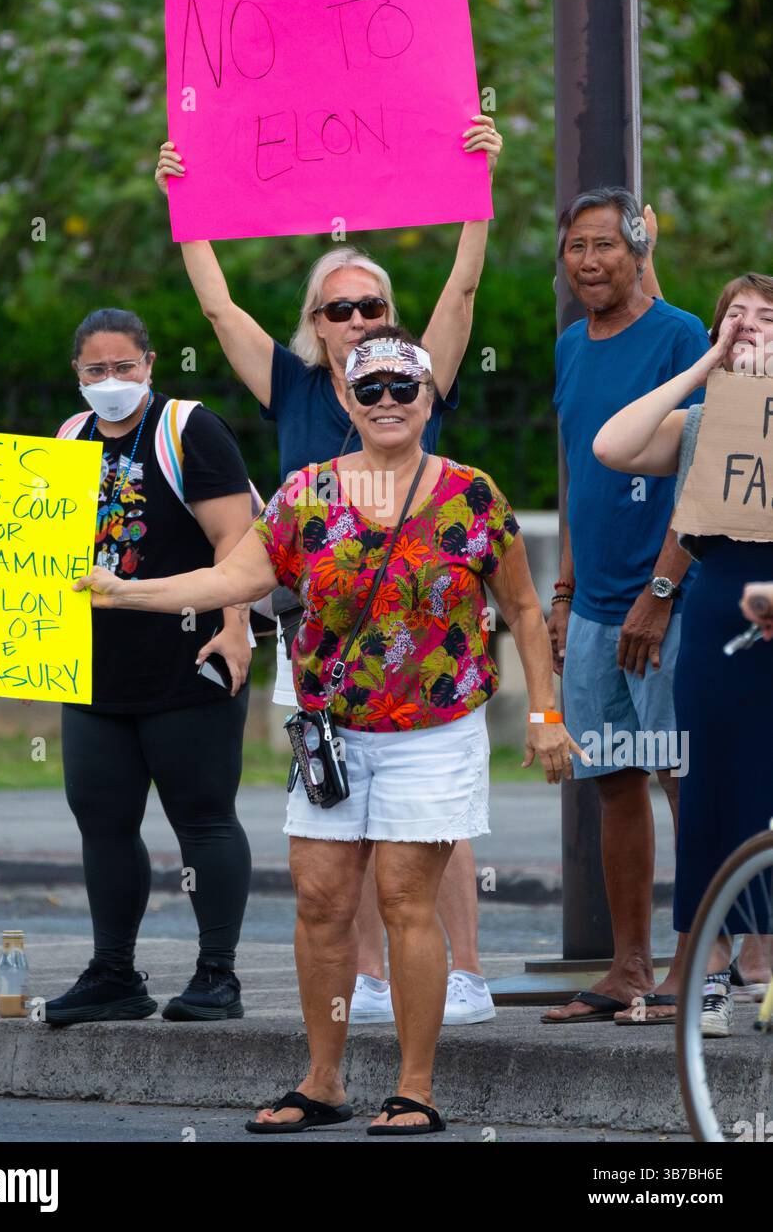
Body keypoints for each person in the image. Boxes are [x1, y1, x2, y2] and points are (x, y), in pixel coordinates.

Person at [75, 326, 583, 1132]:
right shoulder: (305, 493)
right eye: (369, 389)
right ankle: (324, 1081)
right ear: (346, 398)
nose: (386, 402)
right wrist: (127, 593)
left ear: (427, 399)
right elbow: (231, 575)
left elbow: (522, 607)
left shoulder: (471, 494)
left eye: (402, 388)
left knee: (404, 899)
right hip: (330, 735)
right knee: (319, 900)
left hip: (432, 730)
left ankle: (415, 1087)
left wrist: (548, 712)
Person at [155, 117, 504, 1025]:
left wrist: (477, 186)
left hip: (421, 645)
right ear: (315, 324)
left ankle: (461, 972)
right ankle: (374, 987)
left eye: (371, 308)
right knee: (330, 813)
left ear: (392, 318)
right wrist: (184, 204)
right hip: (321, 645)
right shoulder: (295, 384)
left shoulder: (419, 372)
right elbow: (219, 311)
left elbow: (464, 286)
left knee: (433, 825)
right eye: (338, 310)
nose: (357, 324)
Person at [43, 308, 256, 1026]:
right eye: (96, 370)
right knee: (102, 820)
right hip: (95, 673)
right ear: (77, 375)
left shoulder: (188, 429)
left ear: (151, 363)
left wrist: (234, 631)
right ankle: (114, 974)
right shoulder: (68, 440)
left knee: (202, 818)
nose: (111, 381)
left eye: (124, 367)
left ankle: (217, 975)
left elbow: (237, 540)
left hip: (187, 659)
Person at [543, 188, 710, 1025]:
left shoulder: (683, 337)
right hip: (596, 611)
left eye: (605, 244)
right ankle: (630, 969)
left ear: (639, 248)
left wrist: (661, 591)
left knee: (686, 778)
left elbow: (704, 478)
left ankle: (700, 960)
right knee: (613, 780)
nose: (590, 262)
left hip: (667, 608)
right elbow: (581, 475)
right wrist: (567, 591)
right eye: (576, 247)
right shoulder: (572, 345)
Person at [593, 274, 773, 1033]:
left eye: (766, 317)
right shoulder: (703, 420)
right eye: (734, 315)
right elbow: (612, 444)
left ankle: (764, 960)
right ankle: (721, 961)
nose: (748, 326)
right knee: (716, 787)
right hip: (718, 617)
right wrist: (706, 369)